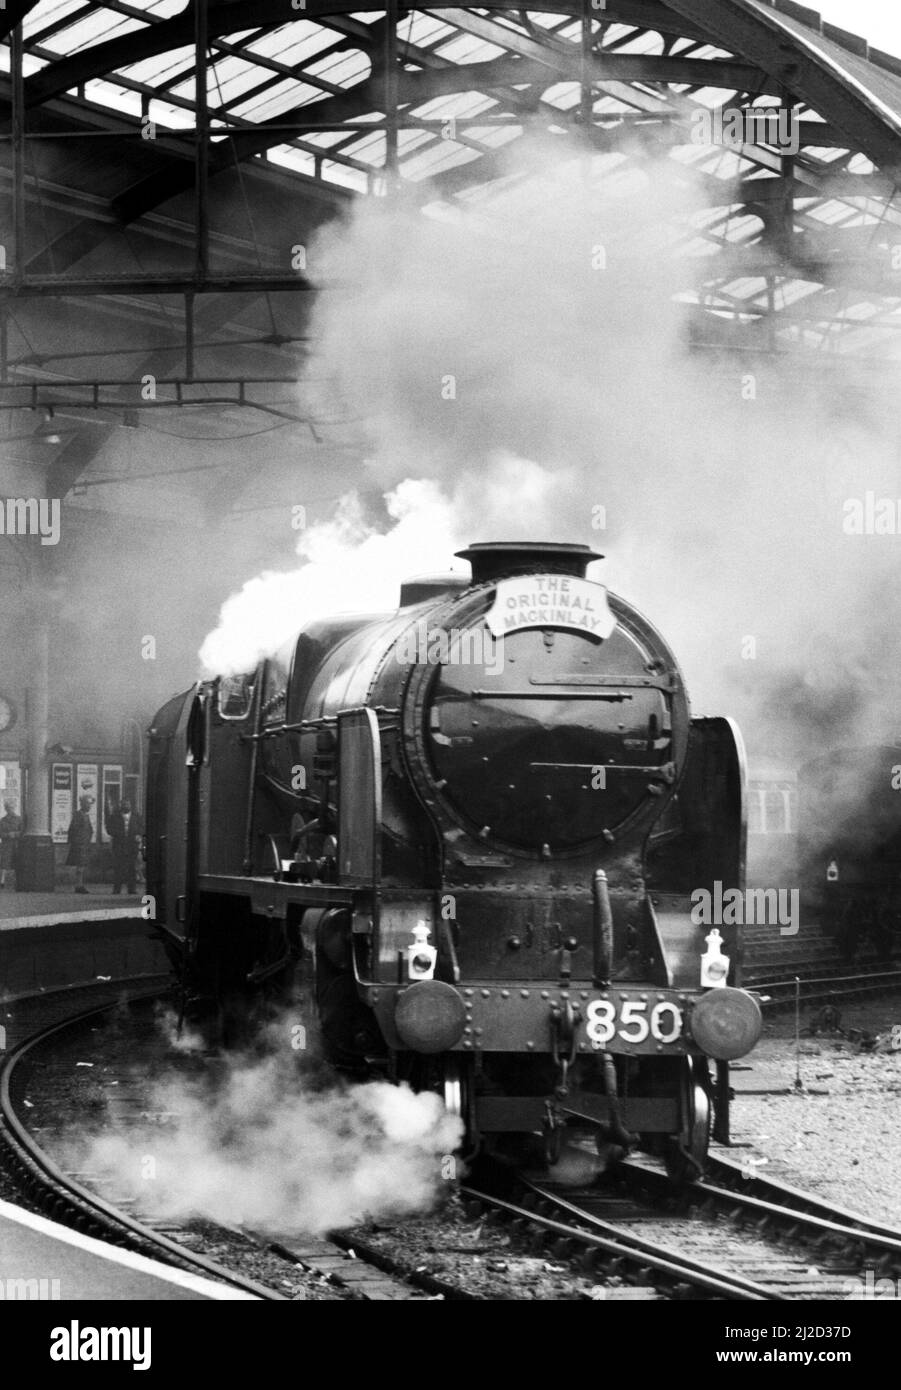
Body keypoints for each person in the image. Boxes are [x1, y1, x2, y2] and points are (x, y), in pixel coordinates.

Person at [105, 798, 143, 896]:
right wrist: (118, 834)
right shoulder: (114, 816)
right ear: (120, 805)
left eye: (127, 804)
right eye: (124, 804)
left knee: (132, 867)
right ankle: (117, 889)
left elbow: (142, 827)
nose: (126, 806)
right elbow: (109, 829)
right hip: (119, 844)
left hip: (132, 845)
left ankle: (132, 889)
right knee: (118, 868)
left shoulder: (136, 816)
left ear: (130, 805)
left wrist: (138, 834)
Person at [67, 795, 95, 894]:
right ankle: (78, 885)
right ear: (82, 804)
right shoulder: (78, 815)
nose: (89, 806)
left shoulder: (85, 815)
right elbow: (73, 830)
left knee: (82, 866)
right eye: (87, 803)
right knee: (80, 866)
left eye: (90, 804)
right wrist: (77, 842)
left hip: (85, 844)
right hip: (80, 845)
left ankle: (79, 884)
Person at [0, 799, 22, 889]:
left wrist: (16, 834)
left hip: (16, 844)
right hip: (6, 844)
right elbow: (0, 833)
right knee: (5, 863)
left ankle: (18, 880)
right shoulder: (2, 820)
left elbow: (22, 831)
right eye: (8, 808)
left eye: (12, 807)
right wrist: (7, 835)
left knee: (17, 862)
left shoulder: (19, 819)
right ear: (6, 809)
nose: (10, 809)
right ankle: (2, 881)